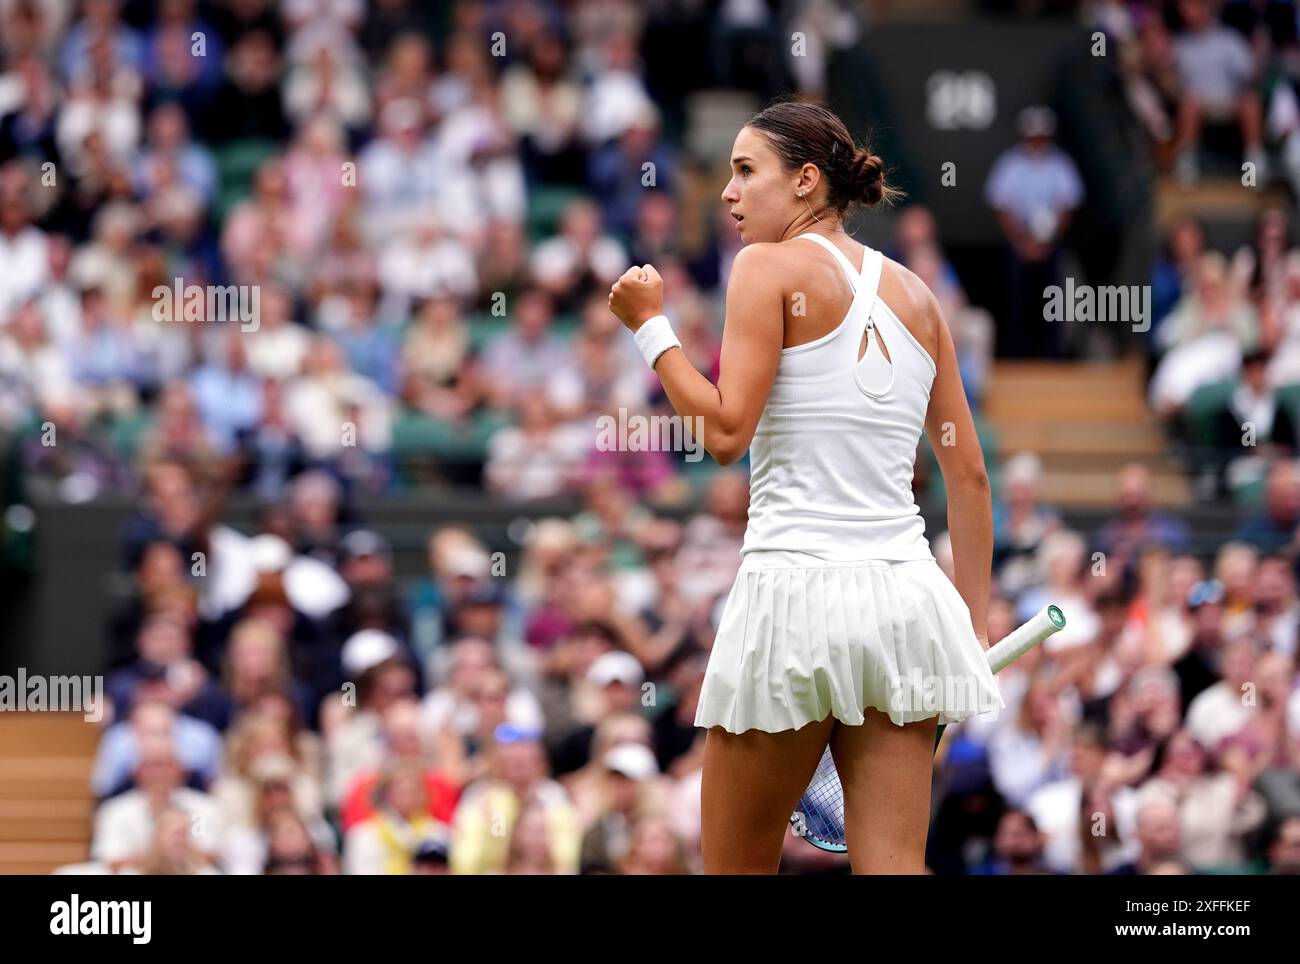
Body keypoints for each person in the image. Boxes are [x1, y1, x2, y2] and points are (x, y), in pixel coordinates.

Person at [607, 99, 1002, 874]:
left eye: (745, 170)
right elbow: (970, 473)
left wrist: (651, 328)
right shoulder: (920, 298)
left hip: (794, 602)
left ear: (805, 182)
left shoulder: (763, 266)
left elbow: (724, 436)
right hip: (907, 609)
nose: (728, 192)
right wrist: (973, 634)